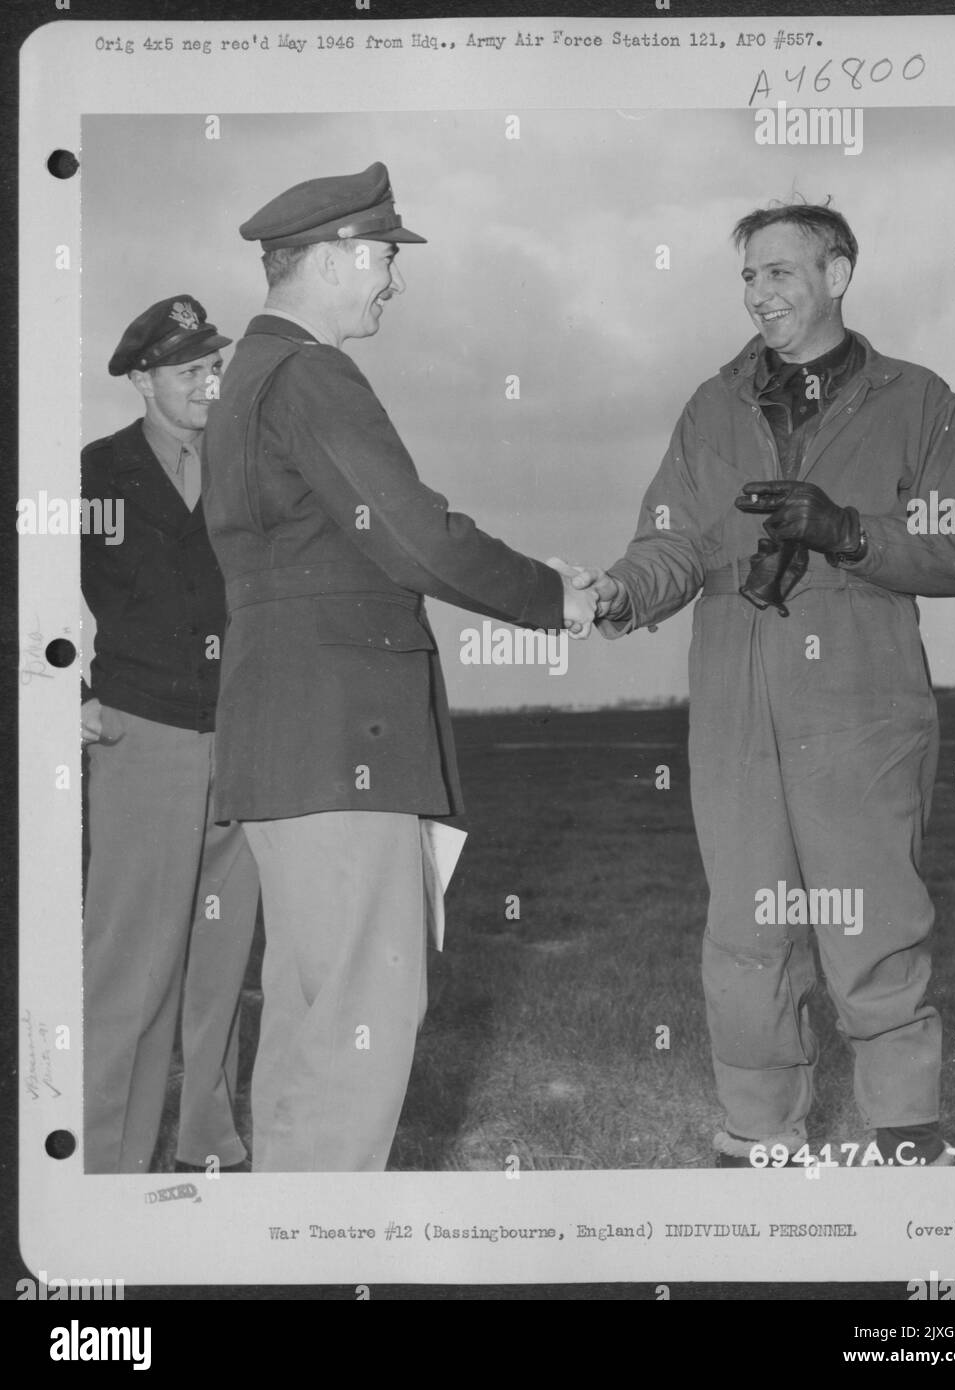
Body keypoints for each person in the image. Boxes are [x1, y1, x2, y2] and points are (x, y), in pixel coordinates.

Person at [202, 163, 597, 1172]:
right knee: (361, 1018)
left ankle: (279, 1248)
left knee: (307, 1015)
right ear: (333, 257)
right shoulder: (309, 373)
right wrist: (556, 597)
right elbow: (414, 536)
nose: (391, 280)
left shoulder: (247, 375)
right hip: (344, 749)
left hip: (283, 745)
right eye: (382, 258)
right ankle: (326, 1257)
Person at [571, 203, 955, 1168]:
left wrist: (849, 532)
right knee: (746, 931)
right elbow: (674, 538)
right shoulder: (713, 406)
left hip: (863, 709)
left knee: (874, 920)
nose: (760, 296)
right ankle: (758, 1137)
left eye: (781, 273)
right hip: (736, 711)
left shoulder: (921, 401)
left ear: (838, 273)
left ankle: (905, 1134)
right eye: (748, 277)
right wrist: (620, 591)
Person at [81, 297, 261, 1174]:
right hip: (142, 737)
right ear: (142, 378)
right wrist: (61, 695)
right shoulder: (94, 475)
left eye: (213, 363)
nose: (208, 382)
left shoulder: (246, 463)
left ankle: (209, 1152)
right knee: (133, 967)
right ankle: (104, 1169)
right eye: (188, 369)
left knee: (222, 962)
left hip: (243, 740)